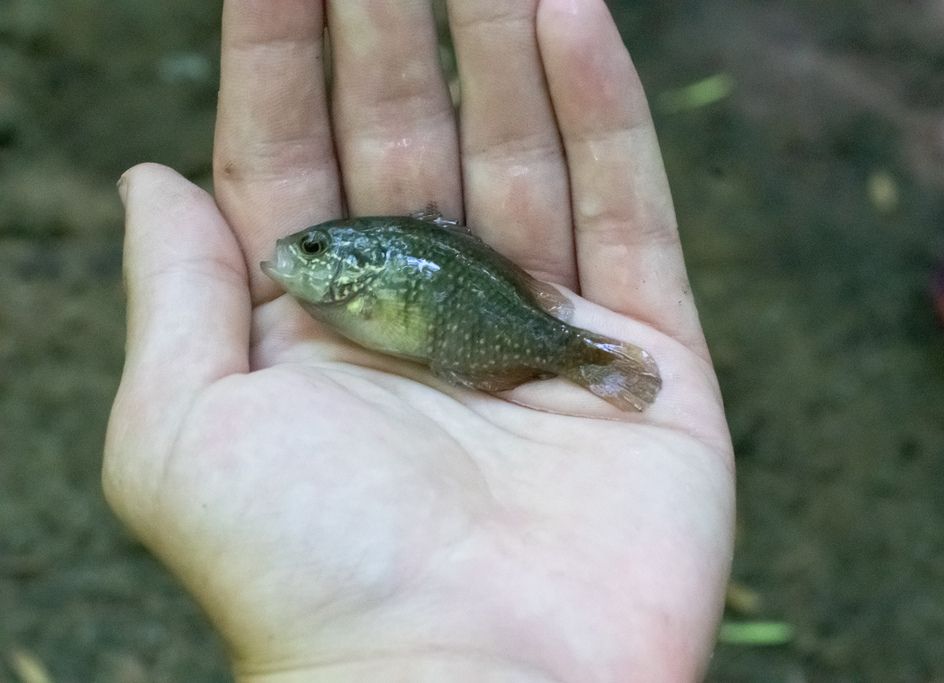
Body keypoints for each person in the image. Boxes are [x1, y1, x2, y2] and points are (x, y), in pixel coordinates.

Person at [103, 0, 736, 680]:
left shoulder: (357, 286)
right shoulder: (342, 294)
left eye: (314, 246)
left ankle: (583, 360)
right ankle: (579, 358)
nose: (295, 251)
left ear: (351, 264)